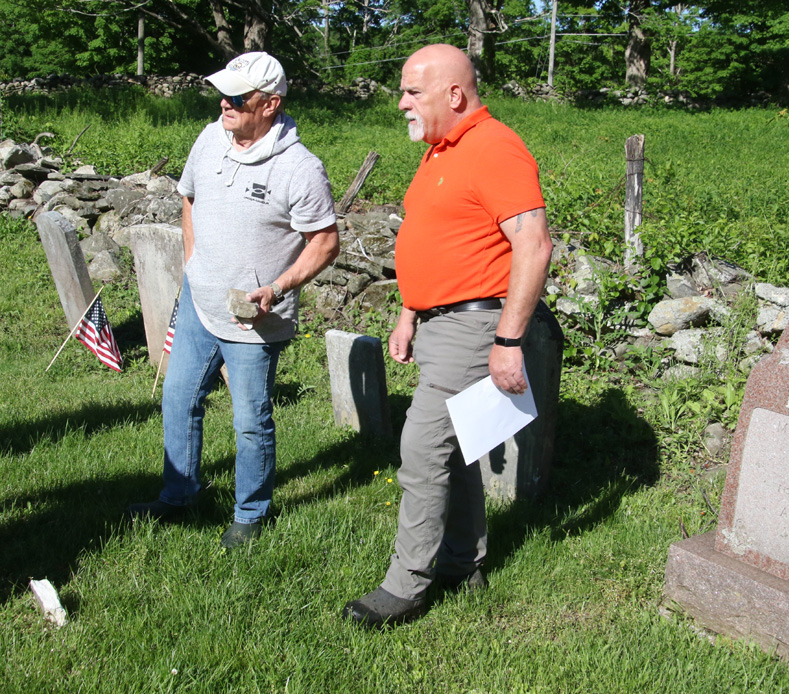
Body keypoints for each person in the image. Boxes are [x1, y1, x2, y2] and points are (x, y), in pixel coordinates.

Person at [343, 43, 552, 627]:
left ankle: (406, 585)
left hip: (473, 323)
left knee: (422, 448)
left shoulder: (495, 146)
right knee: (457, 446)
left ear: (454, 95)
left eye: (412, 91)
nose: (401, 102)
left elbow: (533, 245)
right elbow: (436, 238)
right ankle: (464, 561)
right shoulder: (440, 151)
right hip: (437, 321)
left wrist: (508, 342)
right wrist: (409, 312)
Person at [127, 52, 339, 549]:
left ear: (270, 104)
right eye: (223, 93)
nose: (225, 104)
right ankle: (179, 496)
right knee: (179, 399)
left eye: (238, 98)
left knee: (249, 420)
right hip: (200, 305)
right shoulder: (209, 139)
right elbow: (189, 197)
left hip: (254, 320)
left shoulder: (300, 169)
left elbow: (326, 242)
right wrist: (193, 261)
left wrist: (279, 288)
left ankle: (251, 514)